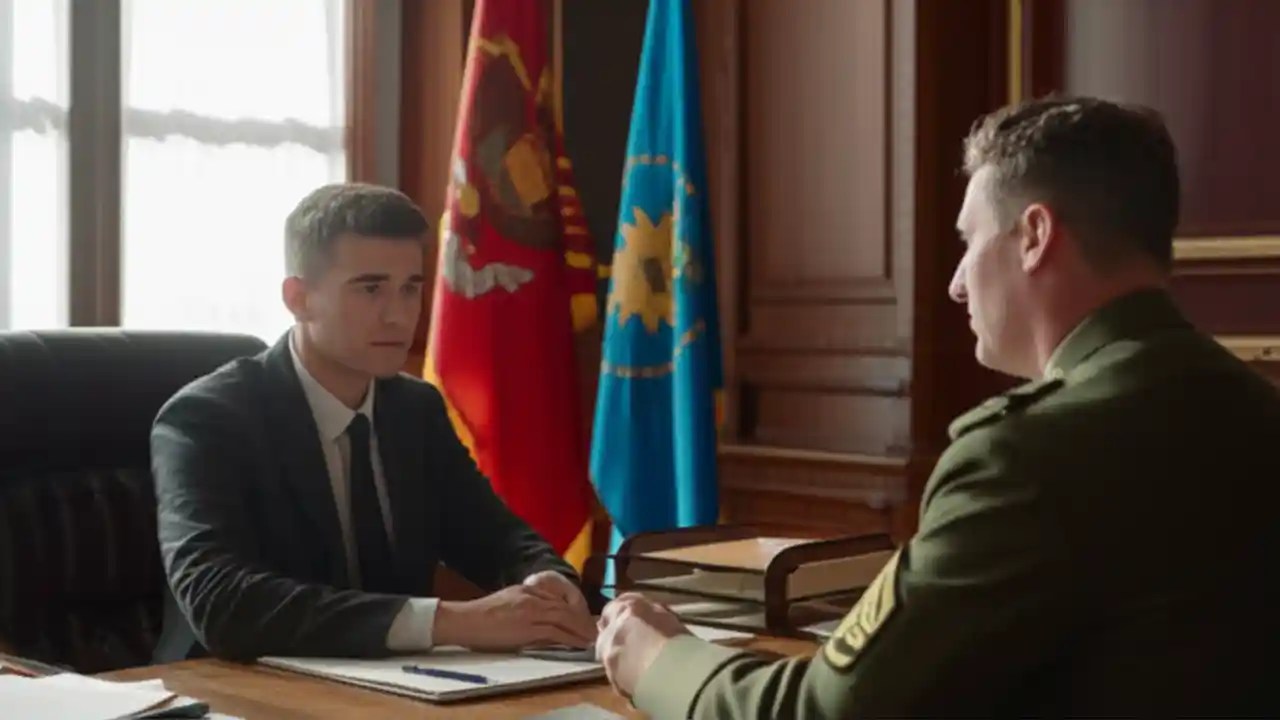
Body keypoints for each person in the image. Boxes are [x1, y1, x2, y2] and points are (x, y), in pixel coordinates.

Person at [594, 96, 1280, 717]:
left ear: (1035, 235)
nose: (956, 284)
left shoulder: (1022, 458)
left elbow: (821, 717)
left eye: (968, 240)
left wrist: (659, 660)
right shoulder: (1255, 408)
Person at [152, 183, 597, 663]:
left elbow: (495, 535)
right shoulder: (206, 420)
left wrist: (547, 583)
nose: (398, 315)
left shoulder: (414, 409)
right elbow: (221, 601)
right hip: (231, 691)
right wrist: (453, 621)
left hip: (390, 688)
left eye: (410, 288)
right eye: (371, 289)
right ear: (298, 298)